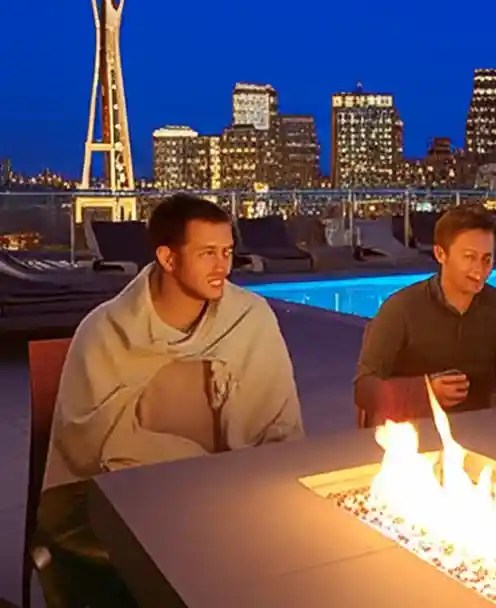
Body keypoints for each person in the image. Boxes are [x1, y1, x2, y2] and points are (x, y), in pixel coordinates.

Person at [39, 194, 305, 607]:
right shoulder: (105, 330)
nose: (222, 267)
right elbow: (86, 443)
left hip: (223, 490)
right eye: (207, 254)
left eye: (227, 252)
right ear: (167, 258)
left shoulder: (250, 318)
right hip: (109, 499)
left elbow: (278, 419)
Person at [354, 205, 496, 422]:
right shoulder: (401, 309)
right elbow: (364, 388)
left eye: (486, 259)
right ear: (440, 254)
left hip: (481, 436)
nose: (479, 270)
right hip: (412, 436)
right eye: (469, 257)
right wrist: (425, 392)